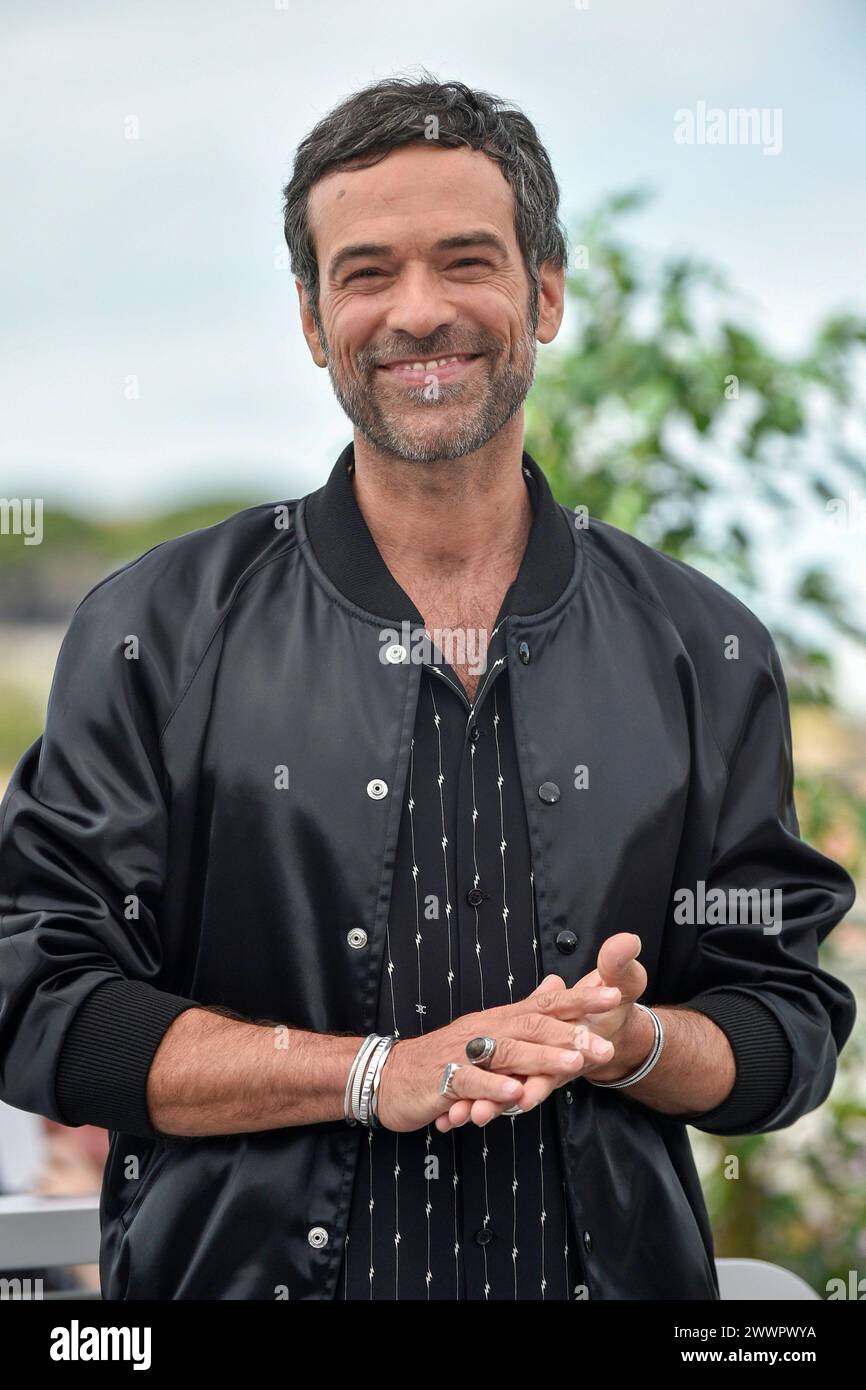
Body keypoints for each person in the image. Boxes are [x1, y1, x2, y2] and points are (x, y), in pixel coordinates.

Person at [0, 74, 856, 1301]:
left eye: (466, 260)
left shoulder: (700, 643)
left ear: (543, 292)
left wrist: (638, 1044)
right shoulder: (155, 628)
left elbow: (784, 1023)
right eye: (363, 273)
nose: (417, 312)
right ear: (310, 318)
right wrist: (371, 1071)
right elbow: (38, 996)